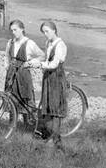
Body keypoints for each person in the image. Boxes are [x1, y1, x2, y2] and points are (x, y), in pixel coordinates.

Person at [27, 20, 68, 149]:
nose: (45, 34)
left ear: (54, 30)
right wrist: (33, 61)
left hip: (56, 76)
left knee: (55, 107)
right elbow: (45, 58)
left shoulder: (60, 45)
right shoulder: (48, 43)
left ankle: (55, 139)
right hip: (48, 76)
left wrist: (40, 65)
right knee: (47, 104)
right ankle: (48, 133)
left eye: (47, 31)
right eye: (43, 32)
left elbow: (54, 64)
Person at [4, 20, 42, 117]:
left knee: (25, 96)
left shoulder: (29, 43)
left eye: (15, 30)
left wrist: (30, 63)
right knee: (11, 96)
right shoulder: (10, 42)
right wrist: (7, 66)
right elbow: (7, 56)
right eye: (11, 30)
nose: (13, 32)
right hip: (11, 73)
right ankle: (12, 124)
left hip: (23, 73)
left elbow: (42, 55)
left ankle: (28, 122)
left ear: (22, 29)